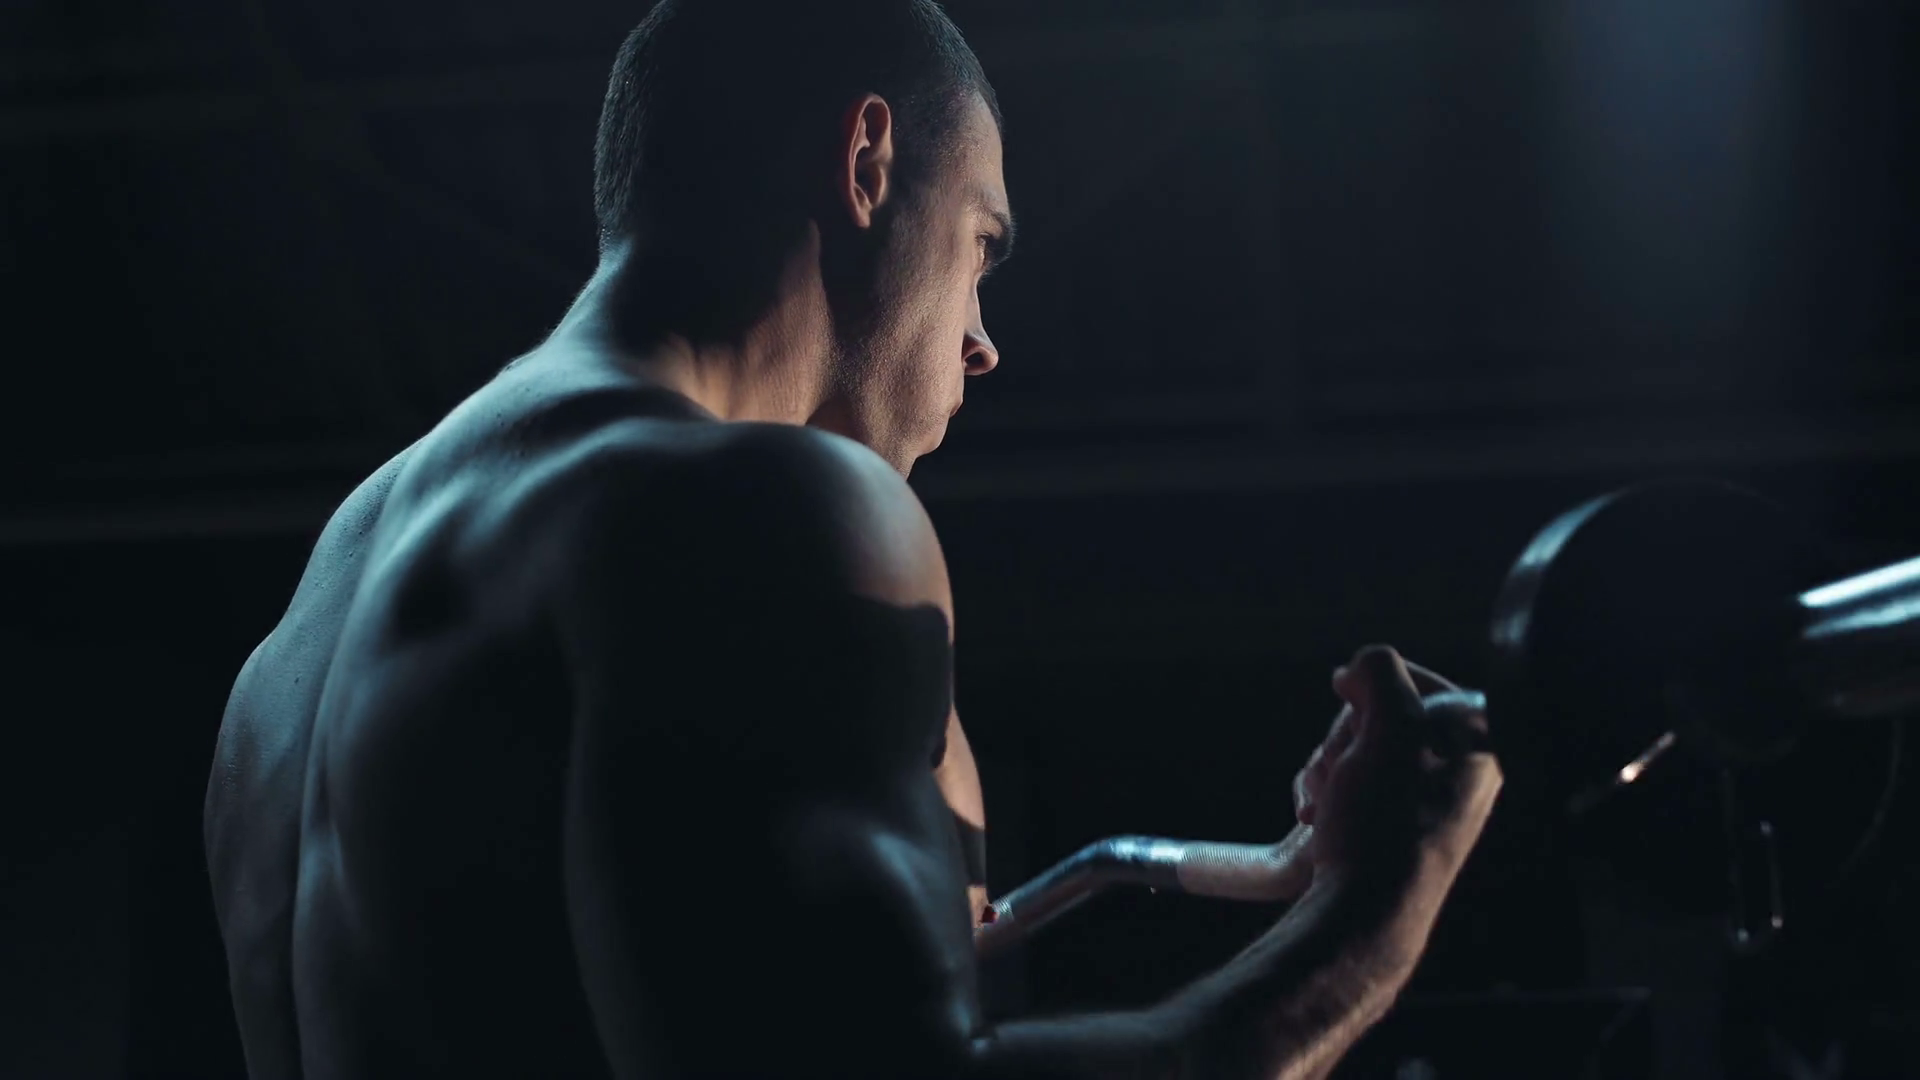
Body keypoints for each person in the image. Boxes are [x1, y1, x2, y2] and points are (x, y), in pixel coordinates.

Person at [203, 1, 1502, 1077]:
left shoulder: (306, 634)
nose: (984, 336)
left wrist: (1247, 874)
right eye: (981, 244)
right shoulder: (762, 509)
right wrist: (1371, 914)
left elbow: (652, 973)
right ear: (868, 161)